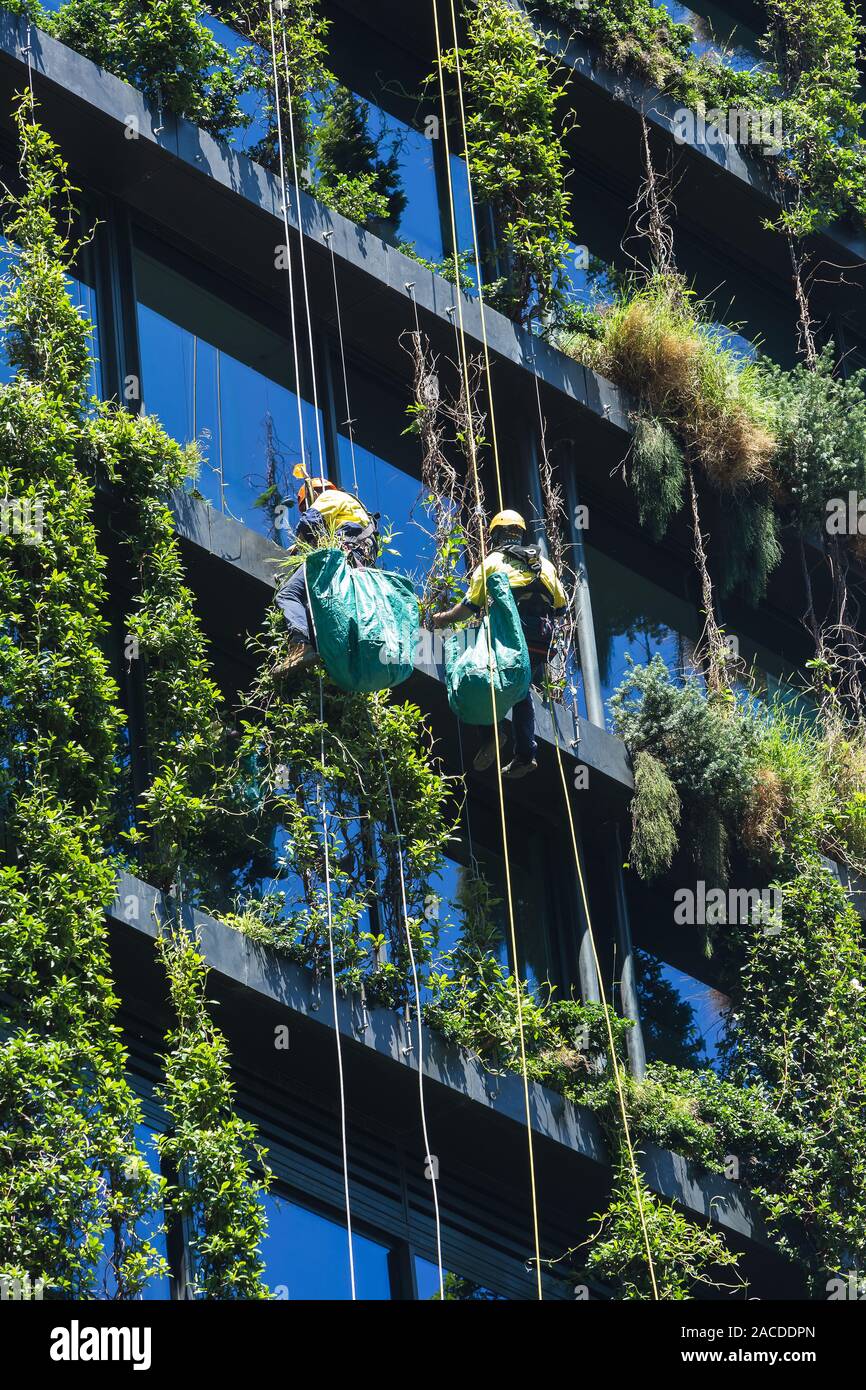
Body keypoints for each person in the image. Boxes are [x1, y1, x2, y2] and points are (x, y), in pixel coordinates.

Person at [430, 509, 568, 778]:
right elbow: (561, 607)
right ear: (519, 533)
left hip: (512, 632)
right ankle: (525, 754)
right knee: (521, 689)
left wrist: (441, 620)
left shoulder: (493, 560)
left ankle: (491, 735)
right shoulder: (546, 565)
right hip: (542, 638)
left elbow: (469, 608)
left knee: (481, 669)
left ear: (495, 536)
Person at [273, 477, 378, 676]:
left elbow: (308, 522)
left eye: (306, 505)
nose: (307, 508)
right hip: (354, 563)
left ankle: (300, 647)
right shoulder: (356, 511)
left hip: (338, 556)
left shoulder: (331, 496)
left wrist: (299, 546)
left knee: (288, 594)